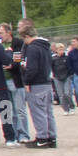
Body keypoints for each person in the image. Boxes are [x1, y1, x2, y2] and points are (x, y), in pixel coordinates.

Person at [19, 20, 57, 148]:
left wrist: (27, 81)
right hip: (46, 82)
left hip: (36, 83)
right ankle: (51, 137)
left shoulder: (33, 48)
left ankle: (42, 137)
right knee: (48, 111)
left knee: (38, 111)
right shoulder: (45, 47)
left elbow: (32, 68)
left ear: (27, 37)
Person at [0, 22, 31, 142]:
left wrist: (11, 65)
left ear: (8, 32)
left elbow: (18, 59)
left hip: (15, 80)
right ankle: (12, 135)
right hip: (2, 81)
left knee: (20, 109)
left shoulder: (17, 43)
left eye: (1, 33)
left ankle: (23, 134)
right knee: (7, 110)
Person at [50, 42, 75, 115]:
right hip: (57, 77)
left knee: (67, 93)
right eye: (59, 49)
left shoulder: (67, 58)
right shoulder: (53, 58)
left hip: (66, 77)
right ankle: (65, 109)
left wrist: (70, 75)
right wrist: (53, 75)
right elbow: (52, 67)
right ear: (56, 50)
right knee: (61, 95)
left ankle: (71, 106)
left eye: (62, 49)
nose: (61, 51)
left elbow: (70, 67)